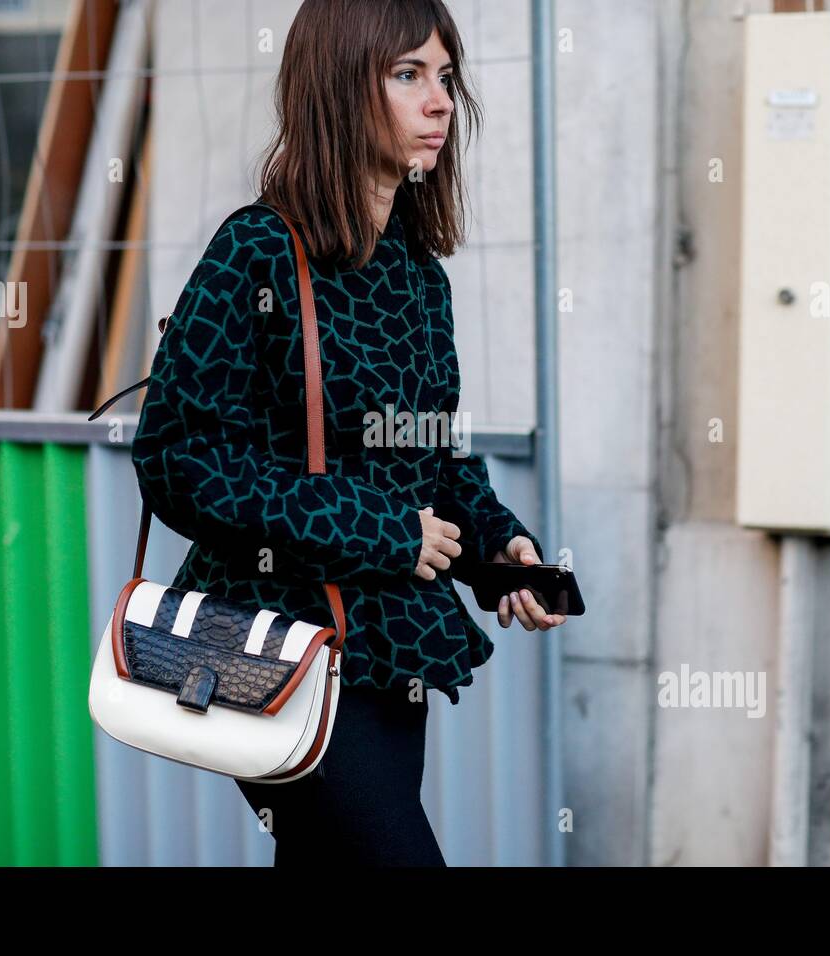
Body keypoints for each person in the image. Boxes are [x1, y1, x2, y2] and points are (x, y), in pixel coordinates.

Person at [130, 0, 566, 867]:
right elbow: (176, 460)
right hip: (280, 647)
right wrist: (376, 531)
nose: (439, 101)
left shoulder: (416, 274)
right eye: (407, 75)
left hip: (385, 650)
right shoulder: (254, 254)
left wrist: (496, 540)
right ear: (337, 88)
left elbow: (429, 455)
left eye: (445, 77)